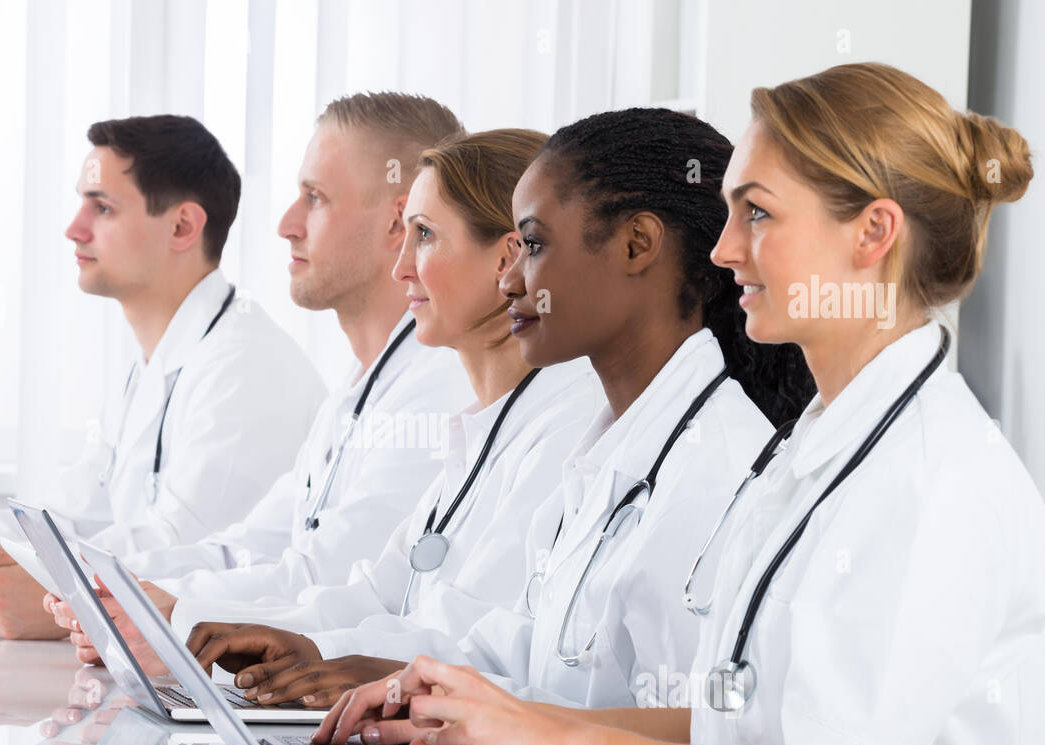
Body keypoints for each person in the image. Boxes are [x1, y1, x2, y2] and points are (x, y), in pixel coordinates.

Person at [317, 63, 1045, 745]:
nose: (726, 247)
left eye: (757, 214)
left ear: (872, 234)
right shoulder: (815, 450)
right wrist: (484, 714)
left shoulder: (933, 475)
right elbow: (731, 725)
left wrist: (540, 731)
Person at [178, 108, 815, 709]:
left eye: (533, 247)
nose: (512, 281)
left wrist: (443, 696)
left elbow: (687, 743)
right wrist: (357, 662)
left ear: (635, 245)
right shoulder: (609, 452)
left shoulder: (713, 467)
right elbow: (524, 649)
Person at [54, 130, 604, 693]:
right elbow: (372, 593)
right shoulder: (473, 421)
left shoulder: (559, 424)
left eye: (426, 237)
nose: (402, 269)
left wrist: (190, 622)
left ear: (507, 260)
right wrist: (192, 621)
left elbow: (471, 644)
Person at [0, 115, 324, 636]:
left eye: (101, 207)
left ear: (182, 227)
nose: (74, 228)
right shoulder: (154, 362)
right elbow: (70, 513)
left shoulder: (247, 368)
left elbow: (185, 546)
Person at [104, 93, 474, 610]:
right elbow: (251, 548)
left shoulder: (441, 388)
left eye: (315, 197)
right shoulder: (355, 390)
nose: (287, 223)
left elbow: (329, 575)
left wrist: (161, 606)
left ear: (399, 223)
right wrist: (103, 585)